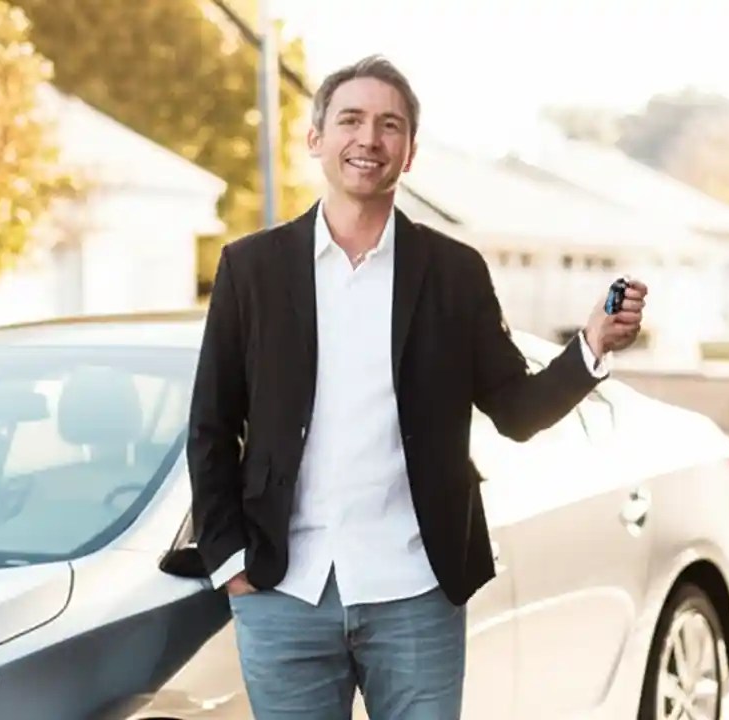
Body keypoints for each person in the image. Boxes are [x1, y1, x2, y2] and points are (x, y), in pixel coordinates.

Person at [186, 54, 648, 720]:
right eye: (350, 119)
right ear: (316, 138)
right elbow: (211, 424)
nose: (368, 139)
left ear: (409, 154)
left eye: (388, 125)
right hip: (282, 593)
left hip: (416, 594)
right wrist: (231, 562)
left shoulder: (455, 273)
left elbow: (515, 410)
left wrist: (591, 349)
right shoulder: (250, 268)